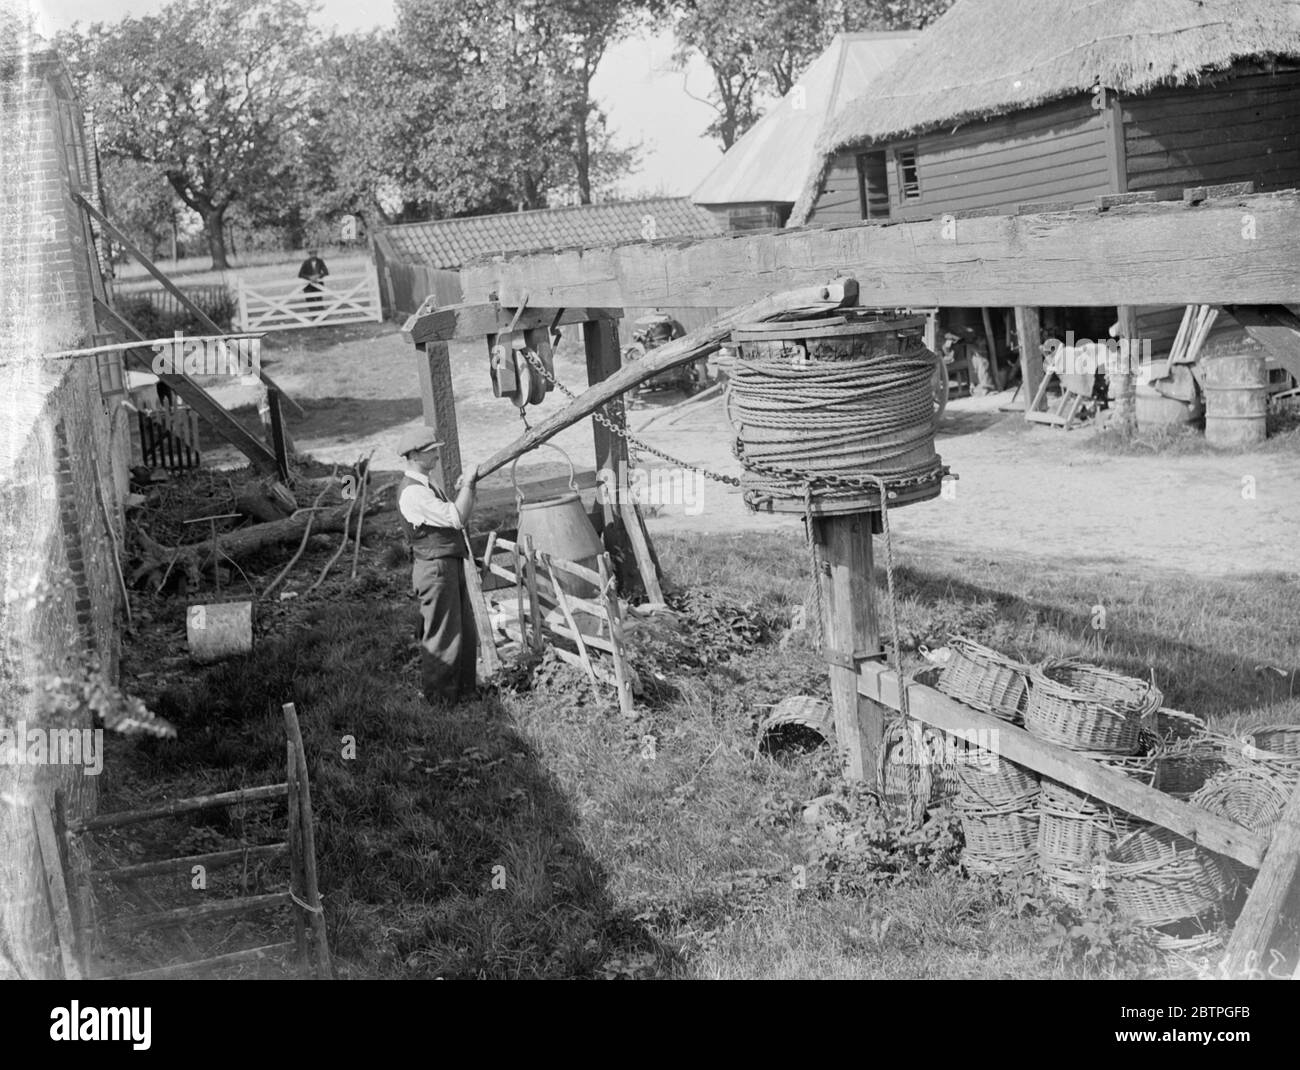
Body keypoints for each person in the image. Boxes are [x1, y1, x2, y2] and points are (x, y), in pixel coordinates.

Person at [395, 428, 479, 705]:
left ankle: (465, 692)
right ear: (415, 455)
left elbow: (448, 516)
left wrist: (465, 489)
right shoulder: (413, 493)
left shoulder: (427, 485)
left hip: (447, 563)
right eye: (431, 450)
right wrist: (468, 485)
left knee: (464, 629)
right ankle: (440, 700)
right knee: (443, 634)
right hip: (434, 568)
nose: (437, 454)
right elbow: (456, 518)